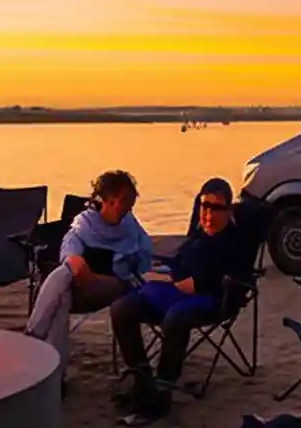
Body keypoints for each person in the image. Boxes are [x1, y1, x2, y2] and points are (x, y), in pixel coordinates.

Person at [111, 177, 252, 422]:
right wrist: (163, 275)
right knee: (122, 308)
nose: (208, 213)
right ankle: (142, 377)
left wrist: (200, 284)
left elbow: (239, 276)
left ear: (228, 211)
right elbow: (179, 265)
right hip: (175, 291)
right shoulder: (198, 235)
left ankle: (164, 388)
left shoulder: (236, 240)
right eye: (204, 206)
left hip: (214, 299)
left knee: (177, 317)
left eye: (216, 207)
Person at [26, 169, 152, 387]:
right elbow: (69, 245)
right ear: (107, 200)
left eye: (129, 202)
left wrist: (123, 263)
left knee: (62, 279)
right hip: (84, 287)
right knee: (63, 293)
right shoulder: (85, 223)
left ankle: (33, 335)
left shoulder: (130, 226)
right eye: (121, 202)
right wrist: (75, 261)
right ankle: (57, 377)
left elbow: (144, 258)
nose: (125, 208)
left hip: (117, 285)